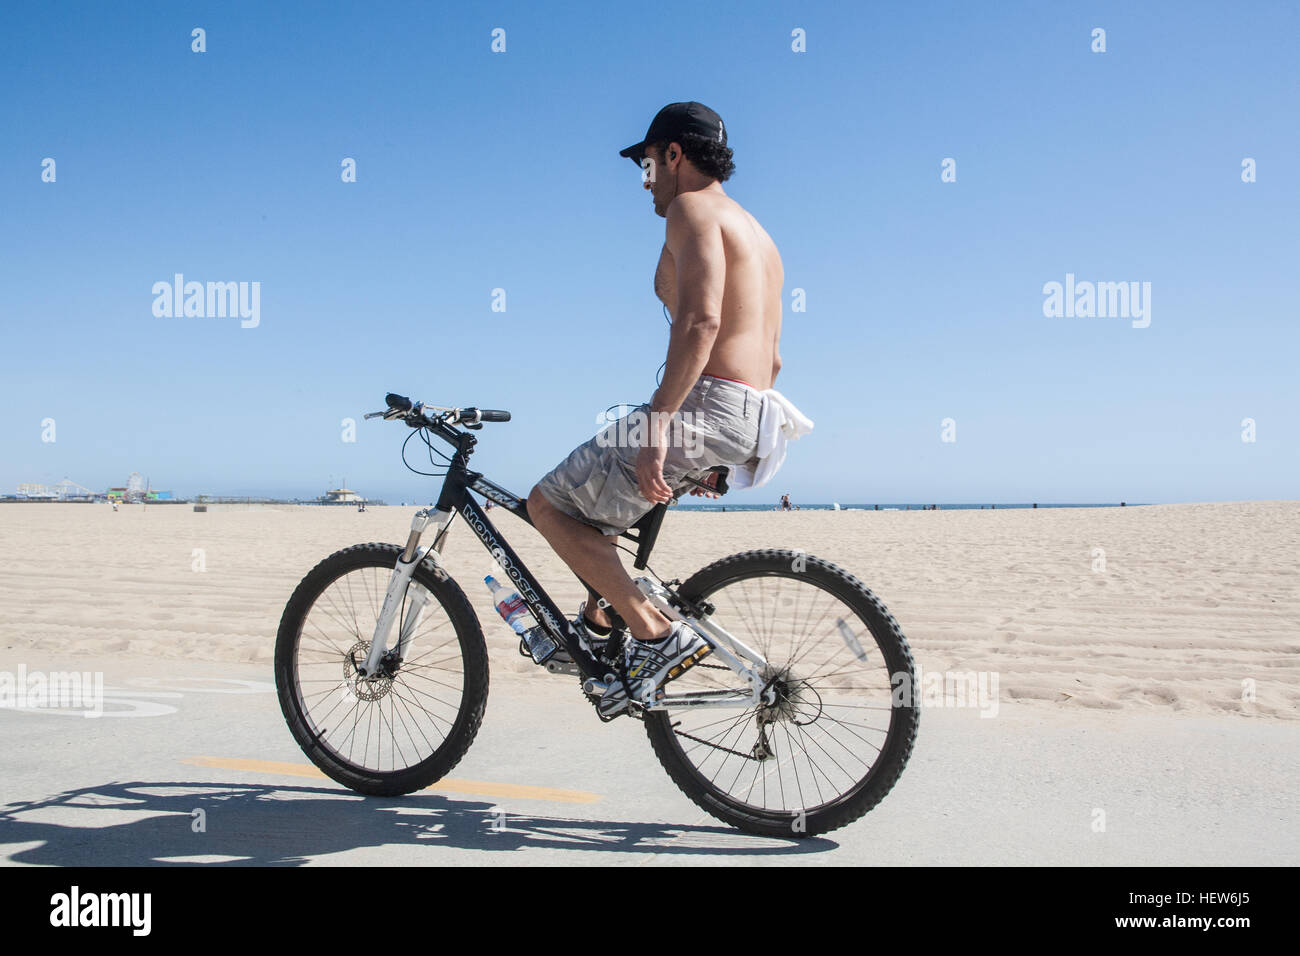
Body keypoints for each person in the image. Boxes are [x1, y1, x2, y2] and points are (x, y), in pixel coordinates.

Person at [528, 102, 793, 717]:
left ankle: (654, 632)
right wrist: (721, 448)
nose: (645, 178)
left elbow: (701, 322)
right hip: (753, 410)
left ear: (674, 154)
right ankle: (597, 626)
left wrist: (661, 425)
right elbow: (772, 359)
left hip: (707, 403)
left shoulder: (689, 209)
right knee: (601, 512)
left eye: (648, 162)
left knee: (547, 503)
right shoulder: (759, 234)